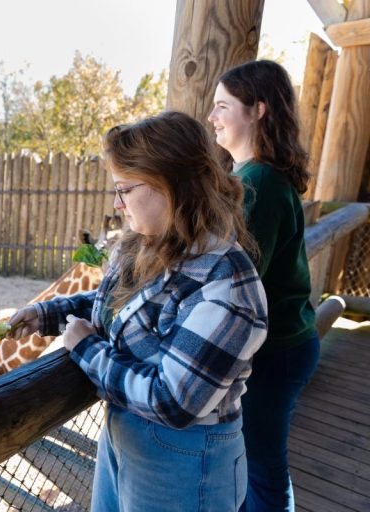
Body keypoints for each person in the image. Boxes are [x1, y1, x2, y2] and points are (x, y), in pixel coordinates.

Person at [10, 111, 268, 512]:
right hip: (124, 436)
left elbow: (172, 401)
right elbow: (125, 309)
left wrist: (86, 350)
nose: (116, 203)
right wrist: (49, 315)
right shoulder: (150, 245)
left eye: (125, 189)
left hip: (184, 461)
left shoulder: (229, 285)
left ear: (172, 187)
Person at [208, 59, 320, 512]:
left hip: (275, 353)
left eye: (222, 106)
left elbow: (235, 279)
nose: (212, 117)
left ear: (257, 110)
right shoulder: (257, 178)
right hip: (285, 346)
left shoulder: (256, 185)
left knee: (262, 465)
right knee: (258, 461)